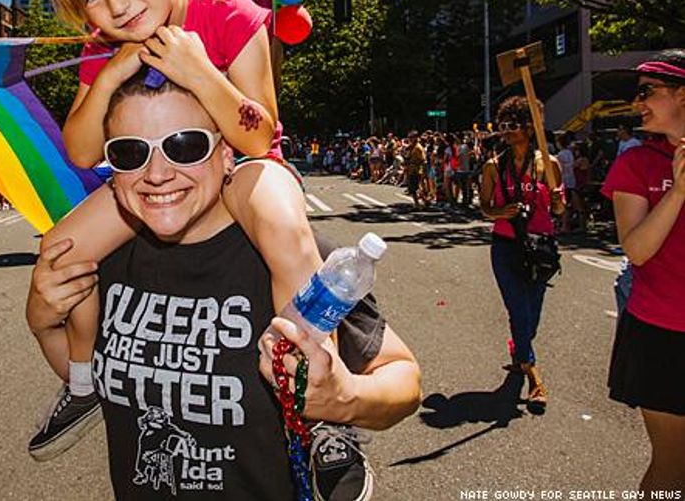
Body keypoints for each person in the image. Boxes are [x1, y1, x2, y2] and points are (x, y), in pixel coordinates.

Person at [26, 72, 420, 500]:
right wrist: (43, 324)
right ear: (112, 170)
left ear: (226, 154)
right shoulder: (104, 262)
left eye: (185, 146)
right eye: (130, 153)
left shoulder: (284, 258)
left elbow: (404, 381)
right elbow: (109, 382)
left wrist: (345, 399)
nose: (157, 174)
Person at [28, 0, 323, 456]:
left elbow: (260, 135)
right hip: (156, 175)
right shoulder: (105, 45)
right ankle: (85, 382)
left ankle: (318, 401)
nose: (115, 5)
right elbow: (84, 152)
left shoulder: (230, 12)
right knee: (62, 249)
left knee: (287, 230)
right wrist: (110, 75)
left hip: (241, 167)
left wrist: (197, 70)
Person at [601, 53, 685, 493]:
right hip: (662, 334)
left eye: (647, 92)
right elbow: (637, 249)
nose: (637, 103)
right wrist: (678, 192)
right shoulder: (636, 164)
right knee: (673, 465)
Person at [478, 96, 565, 413]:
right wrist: (501, 210)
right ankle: (534, 377)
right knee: (519, 310)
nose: (506, 132)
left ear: (530, 127)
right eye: (503, 126)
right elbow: (485, 208)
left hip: (541, 247)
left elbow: (559, 209)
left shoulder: (549, 165)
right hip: (505, 247)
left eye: (513, 125)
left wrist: (557, 200)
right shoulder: (492, 167)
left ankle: (520, 351)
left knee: (532, 313)